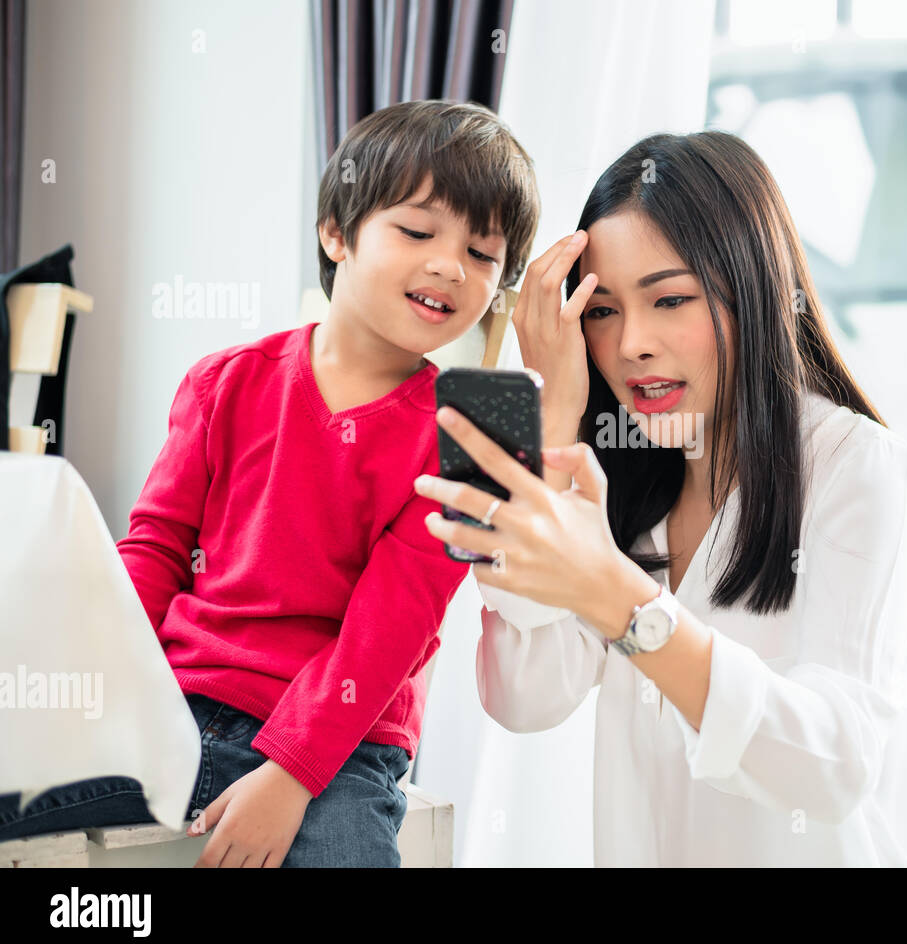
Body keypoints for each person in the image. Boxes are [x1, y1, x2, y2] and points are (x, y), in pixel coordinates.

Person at [0, 100, 541, 867]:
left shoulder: (468, 433)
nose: (451, 266)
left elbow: (389, 631)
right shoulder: (223, 383)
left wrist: (289, 772)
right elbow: (152, 550)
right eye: (418, 232)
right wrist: (97, 695)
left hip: (341, 752)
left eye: (483, 254)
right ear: (336, 232)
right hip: (175, 709)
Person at [416, 130, 907, 865]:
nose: (632, 343)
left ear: (754, 288)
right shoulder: (628, 480)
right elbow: (523, 695)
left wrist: (626, 603)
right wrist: (558, 421)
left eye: (670, 299)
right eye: (602, 311)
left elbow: (832, 762)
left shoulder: (858, 467)